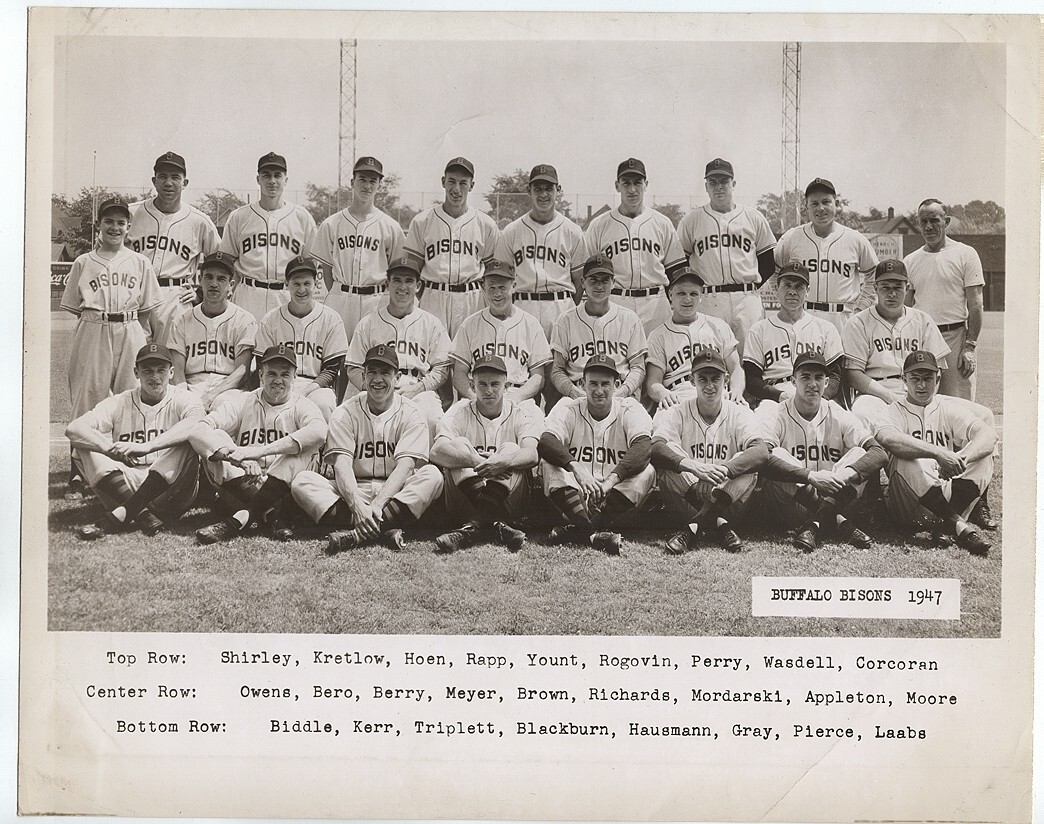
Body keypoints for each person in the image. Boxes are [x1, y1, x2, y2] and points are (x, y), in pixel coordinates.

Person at [290, 345, 444, 553]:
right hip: (354, 490)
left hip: (396, 492)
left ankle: (354, 534)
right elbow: (342, 466)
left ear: (397, 377)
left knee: (433, 476)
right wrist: (357, 506)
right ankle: (386, 528)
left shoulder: (412, 412)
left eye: (385, 373)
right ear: (363, 376)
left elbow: (406, 468)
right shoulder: (345, 412)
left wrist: (378, 505)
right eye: (372, 372)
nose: (377, 379)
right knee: (302, 481)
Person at [60, 196, 162, 493]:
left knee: (132, 397)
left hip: (130, 326)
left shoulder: (140, 262)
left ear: (129, 227)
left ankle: (128, 464)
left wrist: (139, 333)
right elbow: (74, 306)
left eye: (121, 222)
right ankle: (78, 471)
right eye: (109, 221)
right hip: (94, 325)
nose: (115, 227)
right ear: (98, 225)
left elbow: (148, 308)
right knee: (87, 399)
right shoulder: (83, 262)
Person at [190, 344, 327, 544]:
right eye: (271, 373)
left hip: (284, 489)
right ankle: (271, 517)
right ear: (261, 375)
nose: (278, 380)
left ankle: (237, 521)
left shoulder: (303, 405)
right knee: (217, 436)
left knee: (302, 450)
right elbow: (198, 429)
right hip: (245, 480)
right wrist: (235, 458)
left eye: (285, 374)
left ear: (294, 377)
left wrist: (257, 452)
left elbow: (319, 432)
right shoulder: (244, 401)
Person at [66, 344, 204, 539]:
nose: (154, 377)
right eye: (147, 370)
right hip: (125, 484)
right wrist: (107, 449)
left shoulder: (185, 398)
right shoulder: (120, 402)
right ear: (136, 372)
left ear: (171, 372)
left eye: (161, 370)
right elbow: (74, 429)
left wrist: (147, 446)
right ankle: (141, 513)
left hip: (171, 490)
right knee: (85, 445)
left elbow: (196, 422)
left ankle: (123, 514)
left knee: (189, 440)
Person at [758, 351, 888, 552]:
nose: (812, 383)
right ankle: (838, 521)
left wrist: (846, 474)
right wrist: (810, 476)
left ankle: (815, 524)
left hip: (835, 496)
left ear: (827, 382)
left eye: (818, 377)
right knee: (777, 454)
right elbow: (761, 459)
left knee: (859, 454)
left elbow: (879, 453)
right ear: (793, 381)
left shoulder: (837, 413)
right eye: (805, 377)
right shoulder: (777, 413)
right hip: (789, 504)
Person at [874, 351, 996, 555]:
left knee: (983, 457)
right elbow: (888, 439)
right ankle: (958, 524)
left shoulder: (947, 408)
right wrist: (939, 454)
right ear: (904, 380)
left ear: (938, 379)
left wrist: (960, 459)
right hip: (909, 504)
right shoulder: (892, 410)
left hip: (947, 496)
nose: (921, 385)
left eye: (928, 378)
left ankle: (947, 525)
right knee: (907, 459)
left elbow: (988, 435)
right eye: (915, 378)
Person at [650, 349, 768, 554]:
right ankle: (720, 525)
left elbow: (761, 452)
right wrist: (695, 468)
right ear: (691, 380)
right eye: (702, 379)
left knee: (746, 463)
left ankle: (693, 527)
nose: (710, 385)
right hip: (689, 497)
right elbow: (655, 448)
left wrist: (723, 471)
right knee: (671, 457)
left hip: (728, 500)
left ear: (727, 379)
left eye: (716, 378)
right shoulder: (677, 411)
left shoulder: (739, 411)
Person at [537, 354, 656, 555]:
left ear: (617, 385)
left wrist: (611, 480)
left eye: (605, 384)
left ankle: (579, 529)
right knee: (548, 464)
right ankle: (593, 533)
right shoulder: (569, 407)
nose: (599, 390)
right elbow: (546, 442)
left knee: (648, 471)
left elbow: (643, 447)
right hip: (576, 495)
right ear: (583, 384)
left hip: (614, 496)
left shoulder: (629, 408)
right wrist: (576, 468)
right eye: (593, 384)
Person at [430, 354, 542, 553]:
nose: (489, 390)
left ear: (506, 386)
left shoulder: (519, 412)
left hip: (510, 502)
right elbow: (437, 451)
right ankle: (495, 524)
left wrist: (504, 462)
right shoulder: (460, 411)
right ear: (472, 386)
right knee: (459, 445)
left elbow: (532, 455)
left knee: (511, 450)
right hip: (463, 500)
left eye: (495, 384)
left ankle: (473, 528)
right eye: (482, 384)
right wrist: (477, 462)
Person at [343, 255, 451, 436]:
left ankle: (430, 465)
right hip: (377, 388)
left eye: (409, 281)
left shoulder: (431, 323)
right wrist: (373, 388)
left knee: (431, 417)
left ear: (418, 286)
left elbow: (442, 368)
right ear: (387, 284)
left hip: (418, 387)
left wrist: (419, 387)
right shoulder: (369, 323)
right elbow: (353, 367)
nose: (402, 287)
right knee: (350, 417)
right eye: (397, 280)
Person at [676, 158, 776, 352]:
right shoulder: (692, 220)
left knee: (750, 357)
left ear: (734, 184)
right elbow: (681, 264)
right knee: (709, 358)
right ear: (706, 186)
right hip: (709, 298)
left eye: (724, 181)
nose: (718, 187)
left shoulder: (753, 217)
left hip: (746, 298)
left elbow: (768, 263)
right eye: (713, 182)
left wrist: (750, 288)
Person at [843, 259, 951, 430]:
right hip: (875, 393)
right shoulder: (858, 323)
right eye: (885, 287)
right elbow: (853, 374)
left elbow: (938, 368)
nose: (892, 293)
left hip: (920, 390)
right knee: (862, 415)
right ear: (875, 288)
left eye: (897, 287)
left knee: (976, 414)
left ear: (907, 288)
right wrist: (890, 397)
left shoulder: (923, 321)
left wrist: (923, 399)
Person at [127, 151, 219, 348]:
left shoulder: (199, 221)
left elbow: (221, 262)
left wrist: (200, 294)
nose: (168, 182)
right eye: (163, 176)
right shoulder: (131, 213)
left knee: (171, 359)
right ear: (154, 181)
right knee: (132, 360)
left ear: (185, 183)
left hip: (175, 297)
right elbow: (105, 252)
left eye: (175, 177)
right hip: (134, 293)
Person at [583, 158, 686, 332]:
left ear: (646, 184)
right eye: (626, 183)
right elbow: (587, 272)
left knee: (658, 357)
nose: (632, 189)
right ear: (617, 186)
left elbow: (676, 272)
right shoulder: (599, 225)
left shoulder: (662, 223)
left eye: (637, 183)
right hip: (616, 301)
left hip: (656, 302)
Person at [405, 157, 500, 338]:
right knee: (431, 356)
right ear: (443, 182)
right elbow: (412, 270)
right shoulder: (422, 221)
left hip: (471, 298)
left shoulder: (485, 224)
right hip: (434, 296)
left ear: (472, 186)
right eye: (452, 182)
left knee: (471, 357)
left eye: (463, 183)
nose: (456, 189)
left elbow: (492, 270)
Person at [219, 152, 317, 321]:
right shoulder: (239, 216)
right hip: (248, 295)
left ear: (286, 180)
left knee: (284, 347)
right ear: (258, 179)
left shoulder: (302, 217)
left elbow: (310, 263)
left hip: (286, 296)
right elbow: (227, 261)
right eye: (266, 175)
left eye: (277, 175)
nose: (272, 181)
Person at [313, 155, 406, 334]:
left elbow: (397, 269)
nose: (367, 185)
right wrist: (338, 292)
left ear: (379, 185)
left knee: (375, 356)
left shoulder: (390, 226)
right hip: (341, 298)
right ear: (352, 182)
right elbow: (326, 268)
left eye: (373, 181)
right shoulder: (331, 223)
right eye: (362, 179)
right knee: (337, 353)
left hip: (376, 299)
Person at [903, 198, 986, 401]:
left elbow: (975, 304)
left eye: (934, 220)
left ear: (946, 221)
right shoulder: (910, 261)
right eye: (924, 222)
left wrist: (970, 347)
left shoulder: (965, 254)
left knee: (960, 406)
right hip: (922, 340)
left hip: (954, 339)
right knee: (921, 403)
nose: (929, 226)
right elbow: (904, 309)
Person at [742, 261, 843, 423]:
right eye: (787, 285)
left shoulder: (826, 328)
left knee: (844, 425)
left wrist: (821, 397)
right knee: (762, 426)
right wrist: (778, 395)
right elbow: (752, 378)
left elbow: (835, 375)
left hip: (816, 394)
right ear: (776, 289)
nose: (792, 292)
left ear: (807, 291)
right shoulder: (759, 329)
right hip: (775, 396)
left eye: (798, 287)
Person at [774, 177, 879, 331]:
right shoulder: (792, 237)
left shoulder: (855, 239)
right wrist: (785, 301)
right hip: (802, 315)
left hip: (842, 318)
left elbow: (874, 275)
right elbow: (773, 271)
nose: (820, 208)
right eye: (814, 203)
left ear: (835, 203)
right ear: (806, 207)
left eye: (826, 202)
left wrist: (860, 309)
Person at [495, 164, 586, 338]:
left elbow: (580, 281)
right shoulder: (512, 231)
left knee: (559, 364)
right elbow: (501, 277)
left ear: (558, 190)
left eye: (549, 188)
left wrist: (567, 308)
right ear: (529, 191)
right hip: (523, 306)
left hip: (561, 307)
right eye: (538, 189)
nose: (543, 194)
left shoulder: (572, 231)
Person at [253, 256, 349, 422]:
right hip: (278, 382)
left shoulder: (331, 318)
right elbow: (262, 364)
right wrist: (281, 387)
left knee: (324, 404)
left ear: (315, 284)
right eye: (296, 284)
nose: (302, 290)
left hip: (316, 386)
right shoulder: (270, 319)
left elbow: (332, 369)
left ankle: (324, 448)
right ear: (287, 285)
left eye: (307, 283)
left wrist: (305, 392)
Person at [450, 258, 552, 411]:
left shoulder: (530, 324)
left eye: (502, 287)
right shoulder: (470, 324)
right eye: (491, 288)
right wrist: (474, 397)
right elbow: (459, 374)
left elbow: (538, 377)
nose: (497, 293)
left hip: (518, 396)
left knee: (534, 425)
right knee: (447, 425)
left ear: (514, 287)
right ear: (483, 288)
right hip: (478, 396)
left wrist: (516, 398)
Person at [549, 253, 647, 402]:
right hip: (578, 393)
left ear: (613, 282)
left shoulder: (630, 319)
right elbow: (557, 370)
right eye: (593, 280)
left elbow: (638, 367)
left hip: (619, 393)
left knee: (641, 424)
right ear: (582, 282)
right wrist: (573, 392)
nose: (599, 285)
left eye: (605, 280)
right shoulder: (565, 320)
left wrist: (622, 392)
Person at [644, 266, 744, 410]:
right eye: (681, 293)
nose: (687, 299)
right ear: (670, 295)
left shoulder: (718, 326)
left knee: (747, 421)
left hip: (718, 391)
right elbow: (653, 381)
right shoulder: (658, 335)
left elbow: (735, 369)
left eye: (693, 294)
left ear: (701, 296)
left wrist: (736, 390)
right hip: (680, 394)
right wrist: (663, 394)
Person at [167, 251, 256, 412]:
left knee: (225, 406)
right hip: (191, 385)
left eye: (221, 279)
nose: (214, 283)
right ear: (200, 281)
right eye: (208, 277)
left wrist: (210, 397)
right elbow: (177, 371)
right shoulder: (181, 320)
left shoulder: (245, 320)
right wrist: (186, 398)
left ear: (231, 285)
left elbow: (241, 372)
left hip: (228, 387)